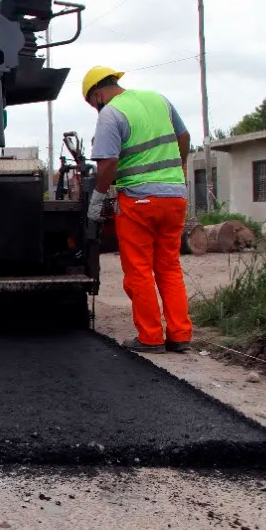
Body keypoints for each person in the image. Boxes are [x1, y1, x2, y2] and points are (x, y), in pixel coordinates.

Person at [82, 66, 192, 354]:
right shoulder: (159, 100)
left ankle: (151, 337)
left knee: (139, 270)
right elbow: (184, 138)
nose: (96, 108)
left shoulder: (111, 114)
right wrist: (176, 170)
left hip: (139, 200)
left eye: (93, 103)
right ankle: (180, 335)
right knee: (169, 267)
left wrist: (98, 197)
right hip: (175, 197)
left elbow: (108, 164)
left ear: (98, 95)